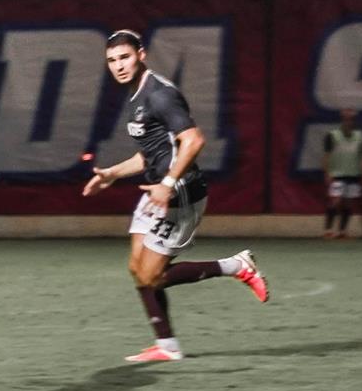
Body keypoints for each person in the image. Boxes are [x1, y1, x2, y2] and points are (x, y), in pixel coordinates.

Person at [80, 29, 264, 363]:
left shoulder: (159, 94)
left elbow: (194, 140)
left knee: (152, 276)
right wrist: (111, 174)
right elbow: (148, 155)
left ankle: (236, 266)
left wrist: (166, 183)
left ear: (141, 54)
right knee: (138, 270)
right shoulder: (136, 94)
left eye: (124, 57)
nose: (118, 65)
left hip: (180, 193)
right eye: (112, 60)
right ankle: (167, 345)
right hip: (157, 190)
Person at [319, 108, 362, 239]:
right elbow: (326, 156)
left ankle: (342, 231)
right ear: (342, 120)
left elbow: (361, 157)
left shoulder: (359, 136)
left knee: (348, 203)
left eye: (351, 119)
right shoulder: (333, 135)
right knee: (336, 201)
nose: (349, 122)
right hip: (337, 174)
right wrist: (327, 173)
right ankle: (328, 230)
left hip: (353, 174)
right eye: (347, 119)